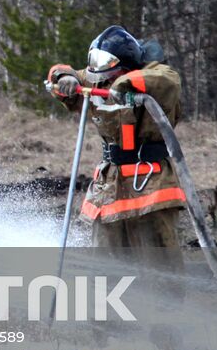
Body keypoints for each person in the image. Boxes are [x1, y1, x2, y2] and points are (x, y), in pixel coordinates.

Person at [47, 25, 186, 251]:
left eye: (113, 76)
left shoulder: (159, 76)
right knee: (107, 270)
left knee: (159, 271)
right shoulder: (97, 78)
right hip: (109, 187)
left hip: (151, 186)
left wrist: (126, 85)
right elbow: (61, 71)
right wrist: (65, 77)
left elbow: (166, 80)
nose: (105, 82)